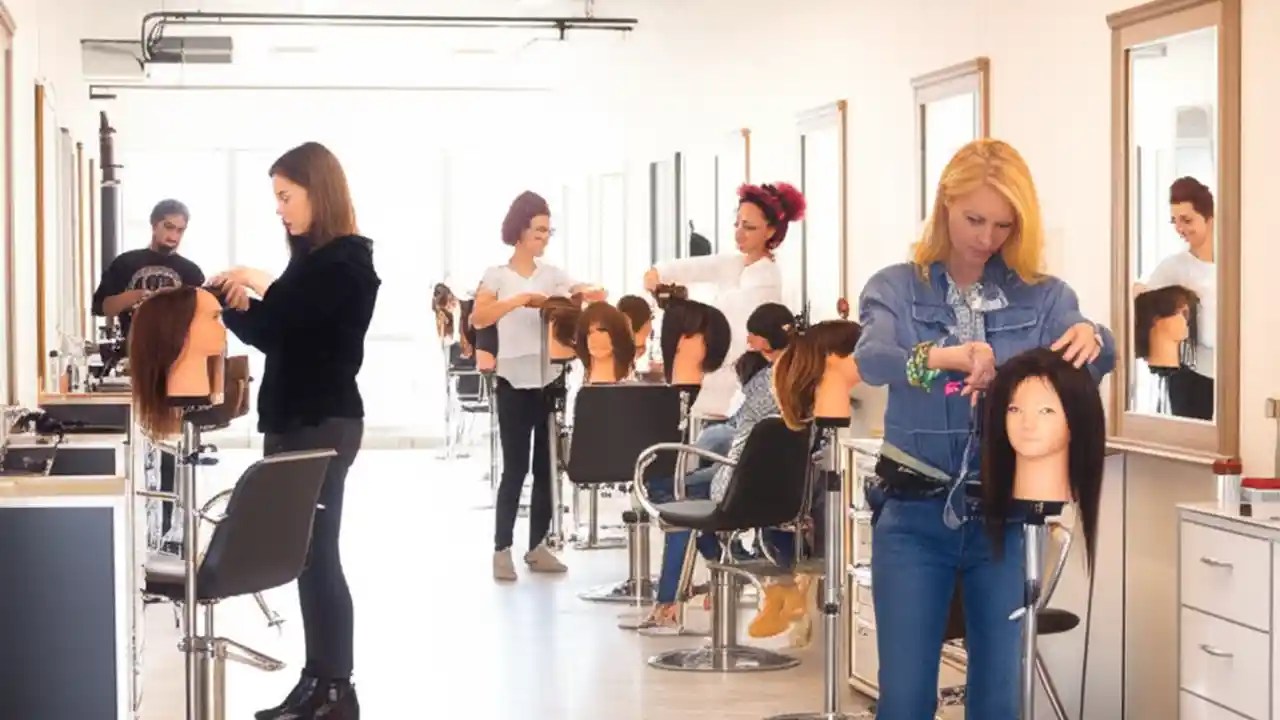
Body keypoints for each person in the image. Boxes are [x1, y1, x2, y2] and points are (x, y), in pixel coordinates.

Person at [853, 138, 1114, 720]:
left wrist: (1097, 337)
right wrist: (943, 357)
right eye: (974, 218)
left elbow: (1090, 363)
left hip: (1009, 521)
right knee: (906, 700)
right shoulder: (895, 286)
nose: (987, 237)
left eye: (1002, 224)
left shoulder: (1046, 298)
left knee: (999, 700)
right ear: (945, 203)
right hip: (913, 515)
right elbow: (873, 360)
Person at [210, 141, 380, 720]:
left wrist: (260, 281)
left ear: (318, 191)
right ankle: (317, 682)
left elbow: (303, 320)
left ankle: (337, 689)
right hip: (294, 422)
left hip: (323, 424)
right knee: (306, 556)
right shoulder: (309, 262)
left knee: (319, 557)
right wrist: (228, 305)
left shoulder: (349, 263)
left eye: (286, 196)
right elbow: (278, 332)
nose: (280, 209)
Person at [471, 190, 605, 582]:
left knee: (547, 466)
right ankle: (501, 549)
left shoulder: (554, 275)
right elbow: (480, 317)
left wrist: (587, 294)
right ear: (519, 231)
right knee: (514, 468)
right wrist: (519, 301)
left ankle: (537, 546)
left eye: (548, 231)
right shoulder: (497, 275)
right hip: (513, 379)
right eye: (538, 230)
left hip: (549, 379)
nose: (544, 238)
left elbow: (581, 292)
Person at [639, 302, 795, 632]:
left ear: (760, 340)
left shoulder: (768, 380)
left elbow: (735, 432)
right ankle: (718, 563)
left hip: (745, 480)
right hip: (782, 484)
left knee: (671, 494)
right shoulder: (803, 376)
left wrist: (702, 445)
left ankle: (671, 600)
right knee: (684, 493)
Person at [91, 198, 205, 550]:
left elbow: (201, 319)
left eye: (180, 230)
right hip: (133, 365)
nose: (174, 236)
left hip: (175, 368)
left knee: (170, 448)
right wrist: (140, 294)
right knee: (139, 446)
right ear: (154, 225)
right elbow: (102, 306)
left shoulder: (191, 272)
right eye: (169, 227)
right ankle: (136, 525)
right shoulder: (127, 263)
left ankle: (168, 530)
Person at [643, 182, 805, 420]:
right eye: (737, 223)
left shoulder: (767, 280)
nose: (739, 233)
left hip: (732, 393)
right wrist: (656, 276)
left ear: (770, 232)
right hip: (709, 385)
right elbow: (684, 268)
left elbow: (734, 337)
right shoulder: (735, 262)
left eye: (748, 227)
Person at [1138, 176, 1215, 419]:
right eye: (1175, 221)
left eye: (1187, 220)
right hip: (1191, 379)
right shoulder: (1173, 268)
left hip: (1238, 380)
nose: (1180, 228)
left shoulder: (1238, 264)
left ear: (1210, 218)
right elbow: (1143, 305)